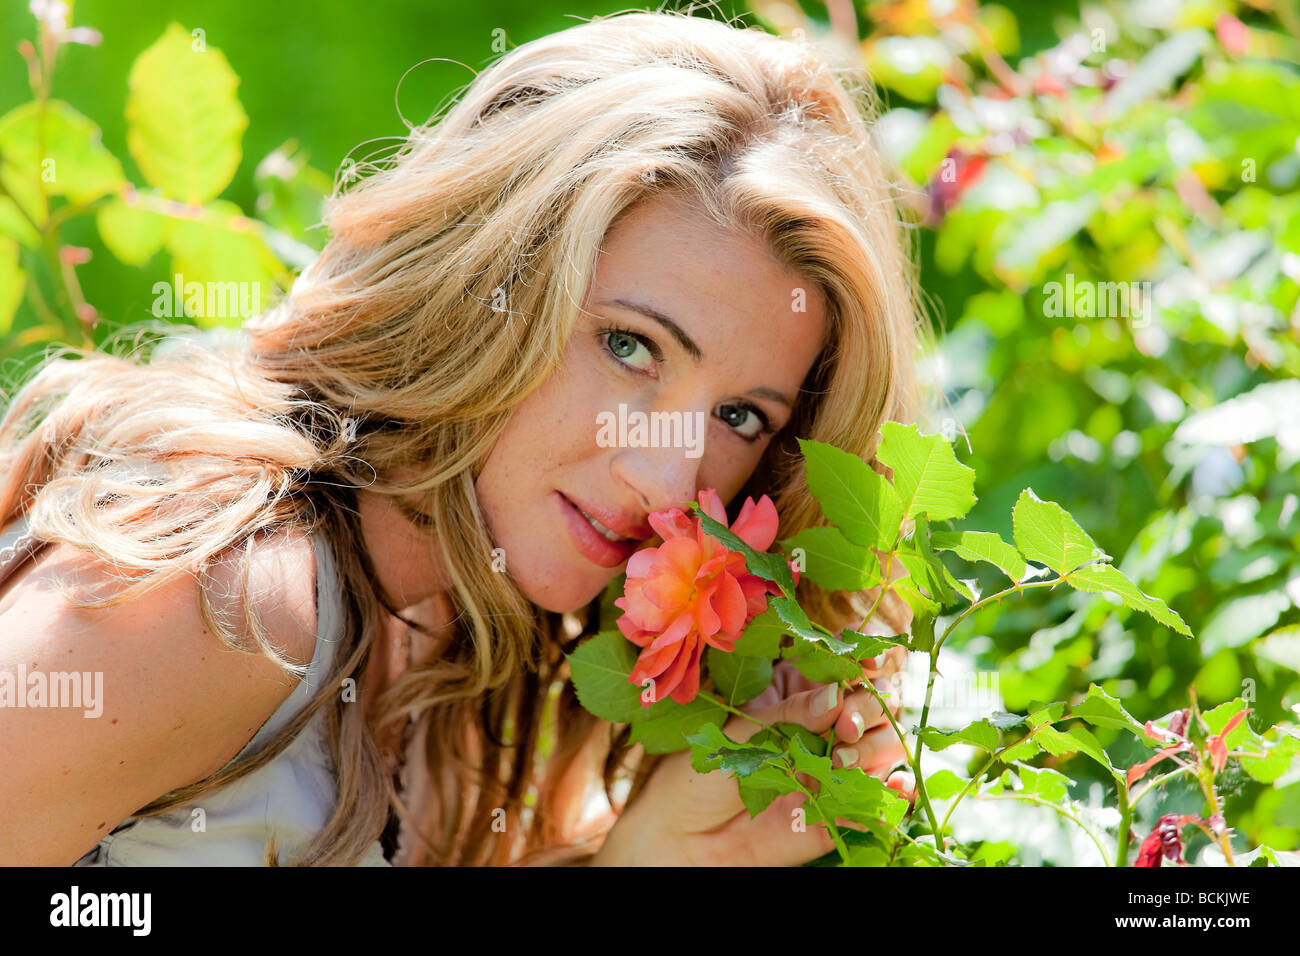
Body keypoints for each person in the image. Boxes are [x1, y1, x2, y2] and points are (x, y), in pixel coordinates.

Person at [0, 9, 933, 866]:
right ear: (483, 280)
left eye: (739, 418)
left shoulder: (449, 629)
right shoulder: (230, 600)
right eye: (628, 346)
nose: (665, 478)